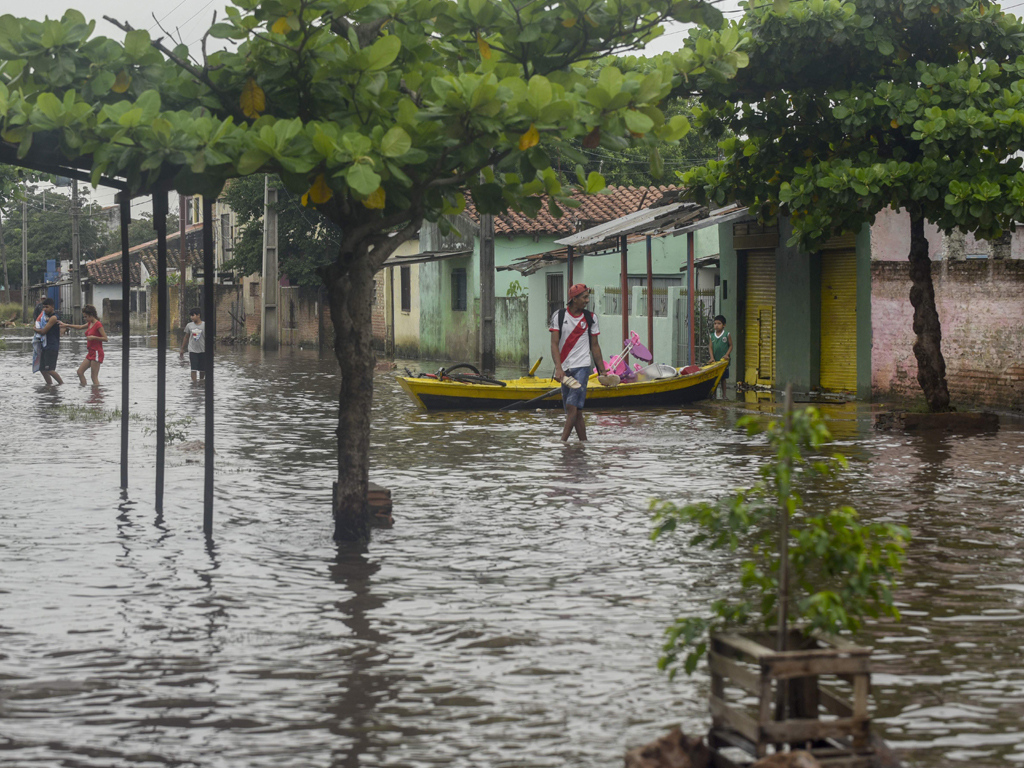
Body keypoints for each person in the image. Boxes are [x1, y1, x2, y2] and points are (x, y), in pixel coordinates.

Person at [549, 283, 610, 442]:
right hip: (565, 369)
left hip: (582, 366)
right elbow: (554, 344)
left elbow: (595, 346)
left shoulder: (591, 318)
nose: (587, 300)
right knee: (576, 411)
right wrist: (558, 368)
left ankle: (562, 443)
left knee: (571, 407)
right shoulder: (559, 316)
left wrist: (602, 371)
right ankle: (583, 443)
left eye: (588, 297)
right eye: (584, 297)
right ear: (574, 299)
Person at [61, 304, 108, 385]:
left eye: (86, 317)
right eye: (84, 317)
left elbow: (105, 338)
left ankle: (97, 392)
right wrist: (66, 325)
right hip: (90, 352)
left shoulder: (98, 324)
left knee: (93, 377)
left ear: (91, 315)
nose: (85, 319)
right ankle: (84, 389)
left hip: (97, 352)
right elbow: (80, 327)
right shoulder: (90, 323)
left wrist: (93, 337)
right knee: (80, 372)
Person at [33, 297, 64, 386]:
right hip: (45, 346)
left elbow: (44, 331)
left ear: (52, 307)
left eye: (47, 307)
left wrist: (35, 329)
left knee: (49, 369)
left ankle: (61, 384)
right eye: (43, 307)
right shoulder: (44, 317)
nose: (45, 309)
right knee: (42, 369)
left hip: (52, 346)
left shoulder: (54, 317)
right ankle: (49, 386)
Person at [179, 307, 206, 383]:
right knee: (193, 369)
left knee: (202, 369)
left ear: (198, 315)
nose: (191, 317)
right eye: (190, 316)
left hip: (203, 350)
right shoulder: (189, 325)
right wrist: (182, 349)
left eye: (193, 315)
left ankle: (201, 382)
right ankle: (194, 384)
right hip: (192, 350)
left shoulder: (204, 325)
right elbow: (186, 337)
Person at [709, 314, 733, 398]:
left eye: (719, 323)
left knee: (723, 378)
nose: (716, 325)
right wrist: (712, 357)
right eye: (715, 323)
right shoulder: (712, 336)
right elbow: (710, 347)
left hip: (723, 361)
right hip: (715, 361)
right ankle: (714, 395)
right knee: (714, 378)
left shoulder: (727, 334)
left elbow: (731, 345)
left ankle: (724, 395)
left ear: (724, 325)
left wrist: (727, 355)